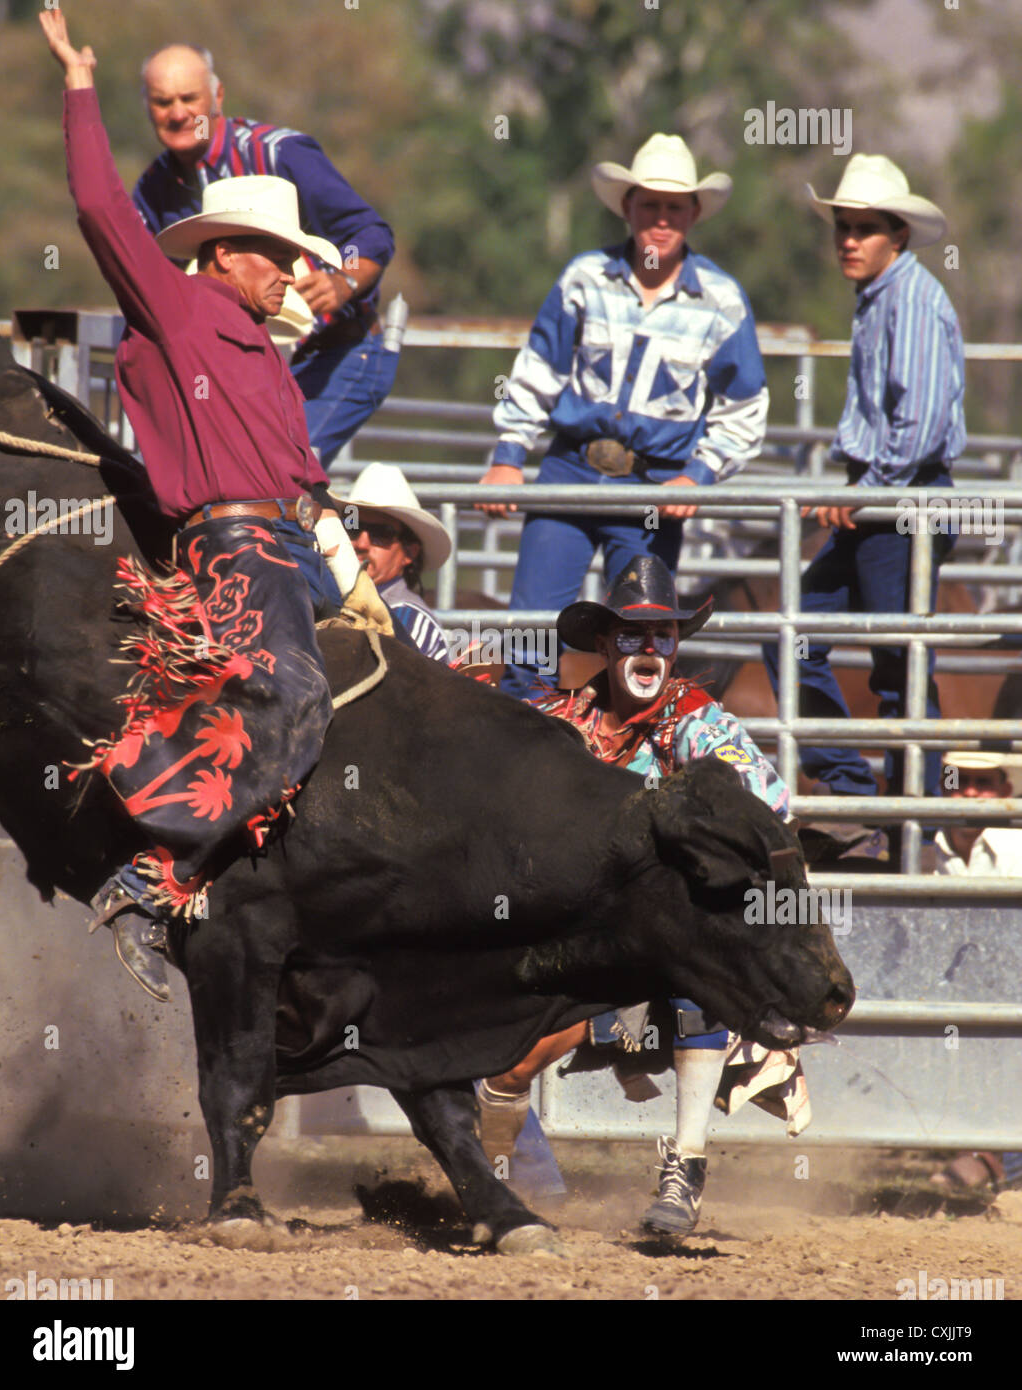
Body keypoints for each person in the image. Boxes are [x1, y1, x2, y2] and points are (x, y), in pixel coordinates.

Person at [40, 11, 379, 1003]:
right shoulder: (172, 304)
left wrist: (356, 581)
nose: (288, 271)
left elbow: (304, 477)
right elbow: (102, 206)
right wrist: (76, 84)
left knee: (368, 686)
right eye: (273, 254)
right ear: (224, 251)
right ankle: (148, 878)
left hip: (284, 542)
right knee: (297, 696)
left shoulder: (266, 357)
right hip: (228, 553)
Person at [477, 555, 804, 1236]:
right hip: (572, 931)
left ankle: (684, 1168)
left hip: (664, 941)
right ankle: (486, 1178)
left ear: (676, 647)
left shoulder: (701, 724)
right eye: (631, 635)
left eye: (662, 636)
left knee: (697, 972)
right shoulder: (560, 724)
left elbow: (770, 802)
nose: (648, 649)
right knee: (514, 1056)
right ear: (605, 646)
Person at [477, 133, 769, 701]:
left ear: (693, 214)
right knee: (530, 633)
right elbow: (539, 367)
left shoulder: (722, 301)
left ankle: (630, 769)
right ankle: (517, 763)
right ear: (628, 208)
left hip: (655, 485)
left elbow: (746, 407)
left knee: (642, 636)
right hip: (570, 471)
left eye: (674, 207)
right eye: (650, 204)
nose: (661, 220)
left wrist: (699, 476)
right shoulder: (584, 277)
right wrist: (509, 454)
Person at [762, 154, 966, 804]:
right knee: (792, 637)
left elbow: (922, 419)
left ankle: (913, 827)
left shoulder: (910, 299)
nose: (848, 240)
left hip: (899, 499)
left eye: (864, 229)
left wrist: (868, 486)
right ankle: (858, 789)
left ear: (896, 235)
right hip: (881, 496)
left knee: (898, 668)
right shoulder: (882, 297)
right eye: (842, 227)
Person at [132, 41, 396, 468]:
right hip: (238, 367)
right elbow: (148, 287)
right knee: (202, 470)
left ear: (217, 97)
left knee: (281, 469)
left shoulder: (280, 152)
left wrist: (341, 281)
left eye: (188, 98)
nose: (177, 113)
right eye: (163, 102)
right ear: (148, 107)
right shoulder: (152, 190)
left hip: (340, 351)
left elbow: (369, 232)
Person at [928, 751, 1022, 1193]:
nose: (968, 792)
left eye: (982, 783)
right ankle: (988, 1154)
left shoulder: (1016, 850)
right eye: (957, 781)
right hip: (963, 986)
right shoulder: (931, 851)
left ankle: (993, 1157)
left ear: (1005, 792)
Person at [343, 463, 451, 662]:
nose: (362, 543)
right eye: (352, 527)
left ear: (409, 553)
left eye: (381, 534)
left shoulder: (409, 621)